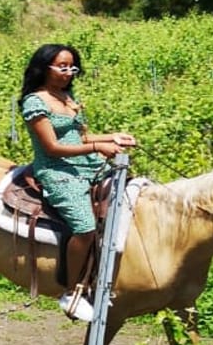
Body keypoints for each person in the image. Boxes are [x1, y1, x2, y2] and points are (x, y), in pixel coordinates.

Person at [19, 43, 136, 323]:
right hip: (56, 169)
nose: (69, 72)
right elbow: (53, 148)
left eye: (72, 67)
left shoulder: (67, 96)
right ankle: (71, 291)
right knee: (84, 228)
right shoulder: (35, 102)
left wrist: (112, 137)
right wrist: (98, 148)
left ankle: (105, 276)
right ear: (44, 68)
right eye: (62, 67)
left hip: (84, 163)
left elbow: (79, 137)